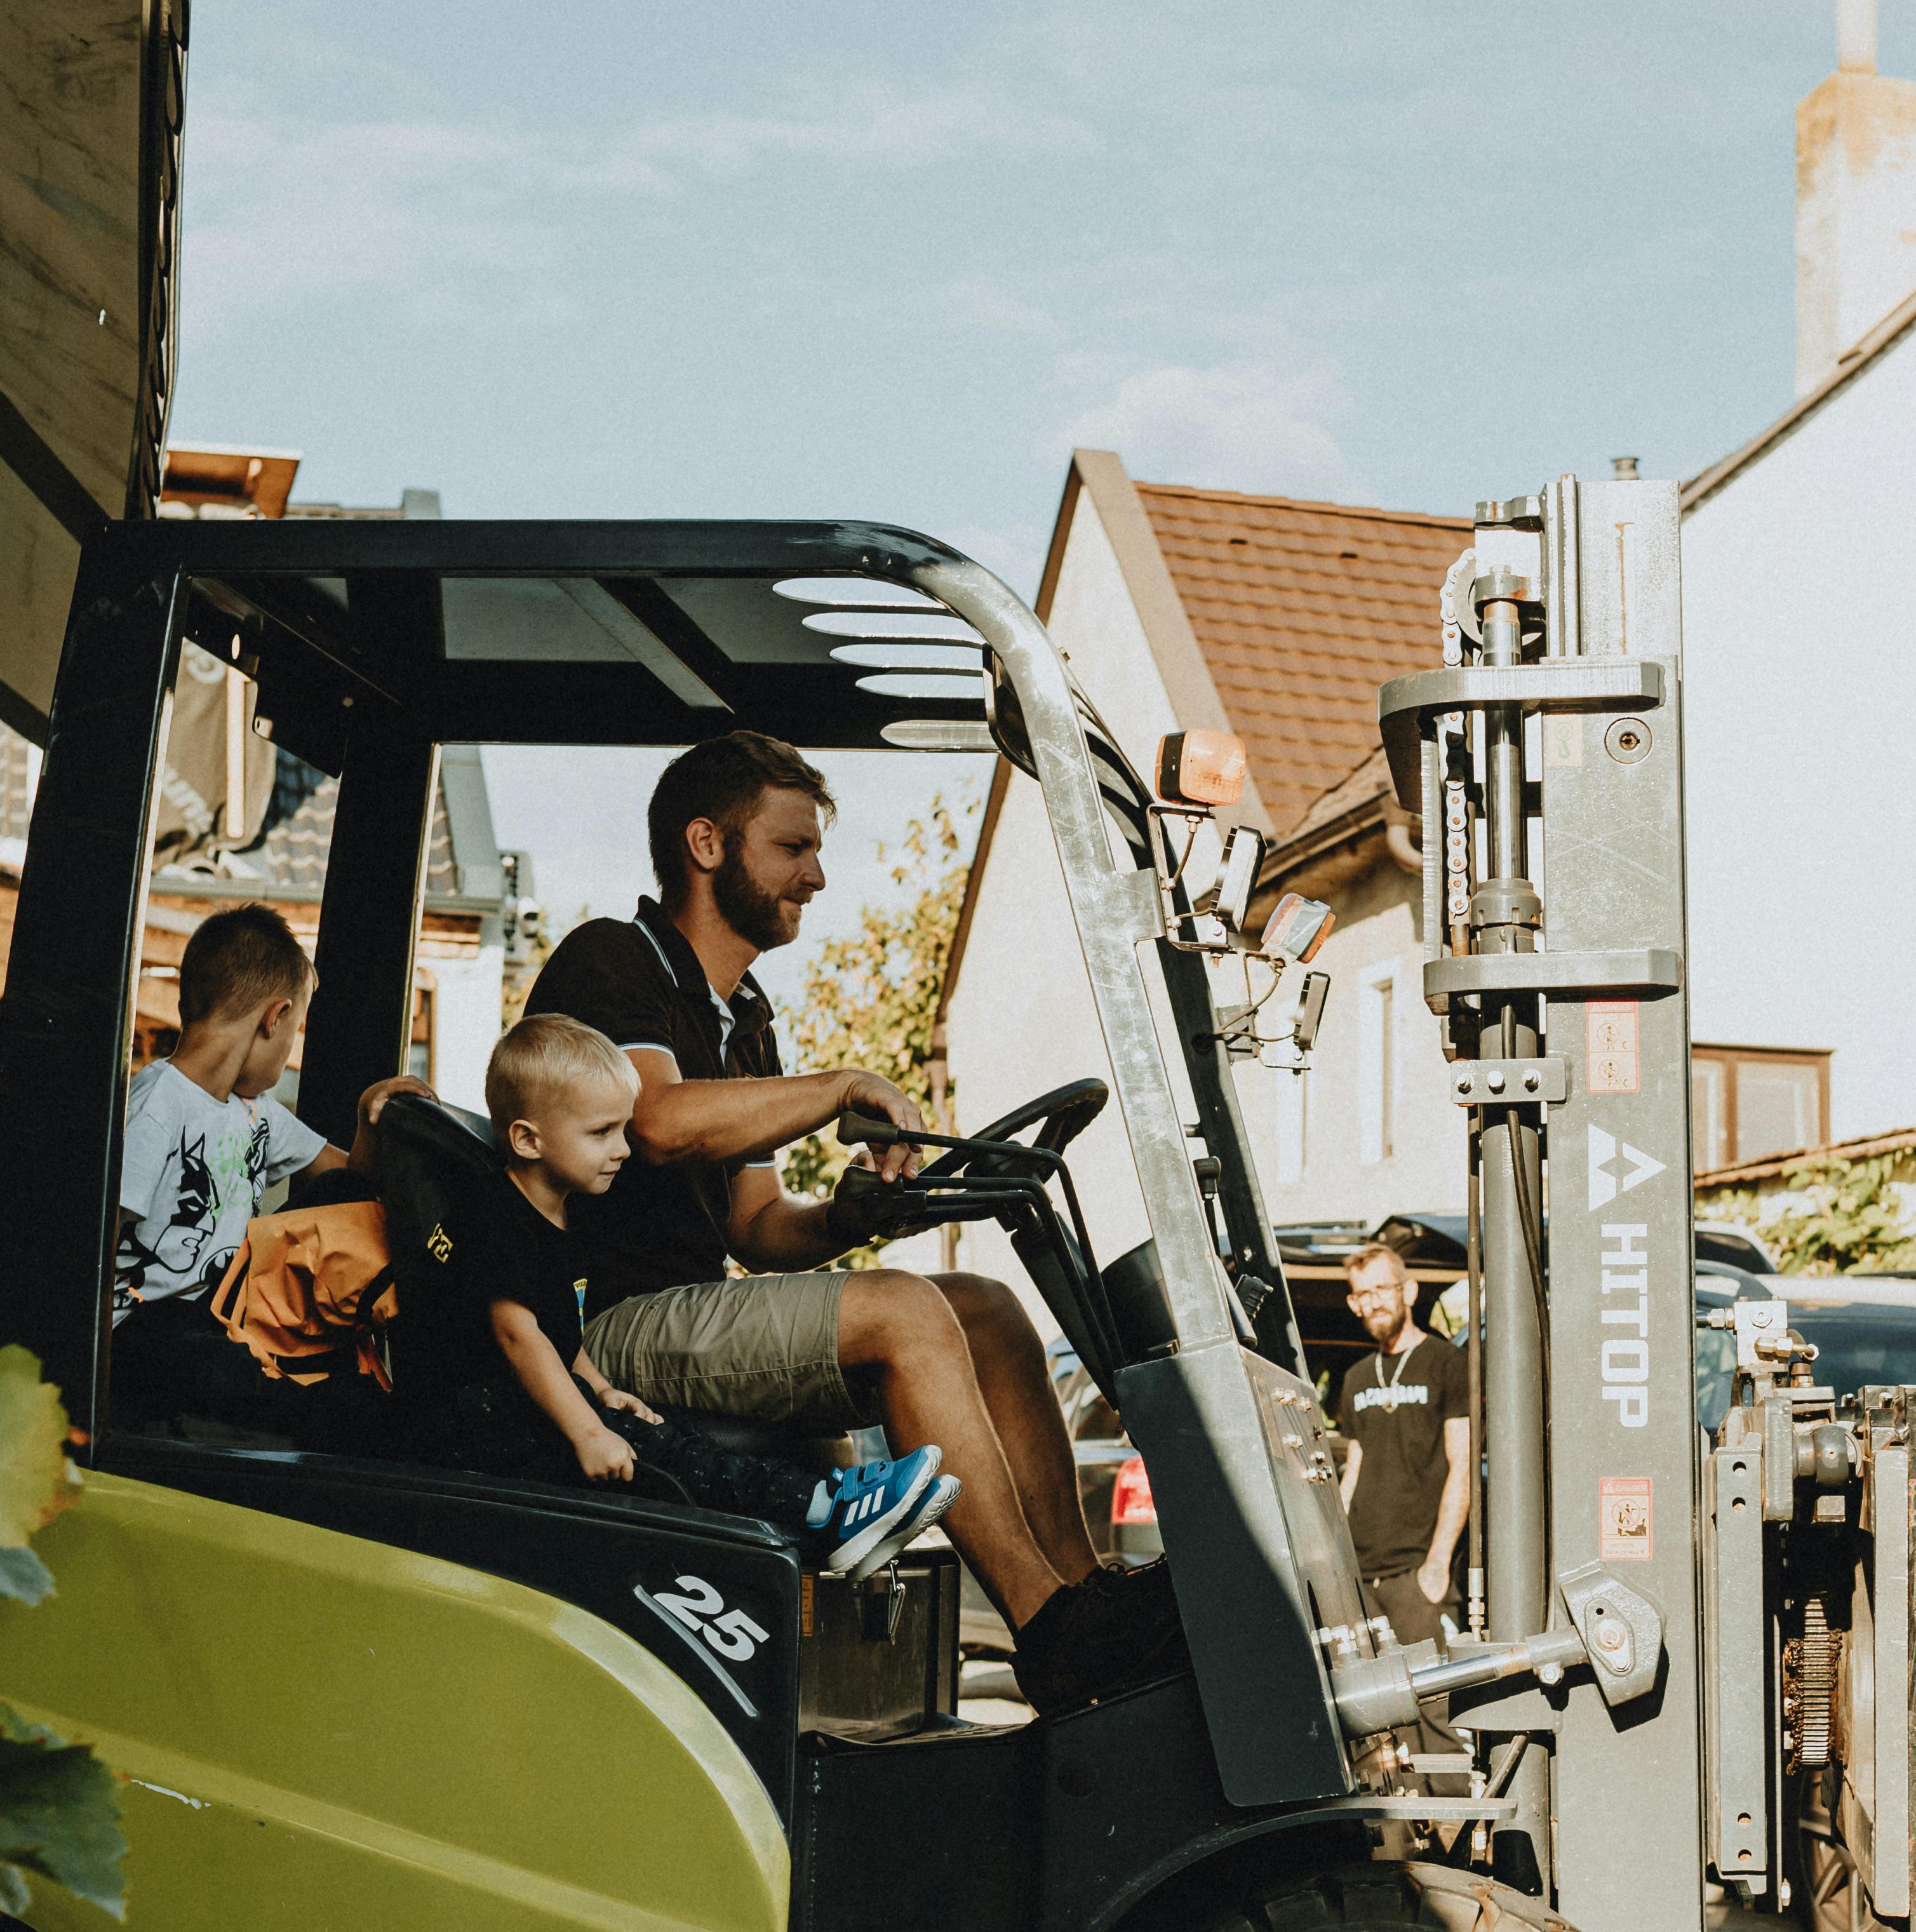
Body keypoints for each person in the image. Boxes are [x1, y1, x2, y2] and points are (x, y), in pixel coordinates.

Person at [523, 730, 1179, 1708]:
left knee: (989, 1307)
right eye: (793, 848)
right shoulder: (617, 960)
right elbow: (654, 1121)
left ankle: (1085, 1593)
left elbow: (757, 1225)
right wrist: (838, 1087)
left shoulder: (745, 1013)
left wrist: (860, 1212)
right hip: (608, 1329)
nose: (818, 876)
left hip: (698, 1304)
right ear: (707, 843)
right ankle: (1047, 1627)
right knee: (904, 1313)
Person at [381, 1014, 956, 1575]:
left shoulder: (563, 1216)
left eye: (622, 1129)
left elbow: (559, 1331)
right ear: (528, 1140)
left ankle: (826, 1513)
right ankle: (827, 1510)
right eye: (601, 1133)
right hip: (469, 1426)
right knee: (660, 1456)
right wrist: (588, 1429)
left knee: (660, 1431)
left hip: (515, 1408)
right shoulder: (496, 1217)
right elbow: (519, 1334)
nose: (623, 1149)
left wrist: (604, 1391)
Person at [109, 904, 417, 1428]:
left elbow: (347, 1182)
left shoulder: (255, 1111)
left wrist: (369, 1117)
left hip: (226, 1317)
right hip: (148, 1330)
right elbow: (97, 1237)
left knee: (339, 1192)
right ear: (274, 1019)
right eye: (294, 1030)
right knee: (241, 1378)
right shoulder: (158, 1104)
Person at [1332, 1241, 1471, 1647]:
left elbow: (1462, 1467)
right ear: (1353, 1304)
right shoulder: (1356, 1378)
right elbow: (1354, 1470)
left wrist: (1437, 1566)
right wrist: (1337, 1560)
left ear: (1408, 1291)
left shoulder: (1447, 1363)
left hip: (1417, 1572)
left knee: (1437, 1707)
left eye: (1382, 1289)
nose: (1374, 1303)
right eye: (1363, 1294)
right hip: (1359, 1575)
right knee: (1374, 1706)